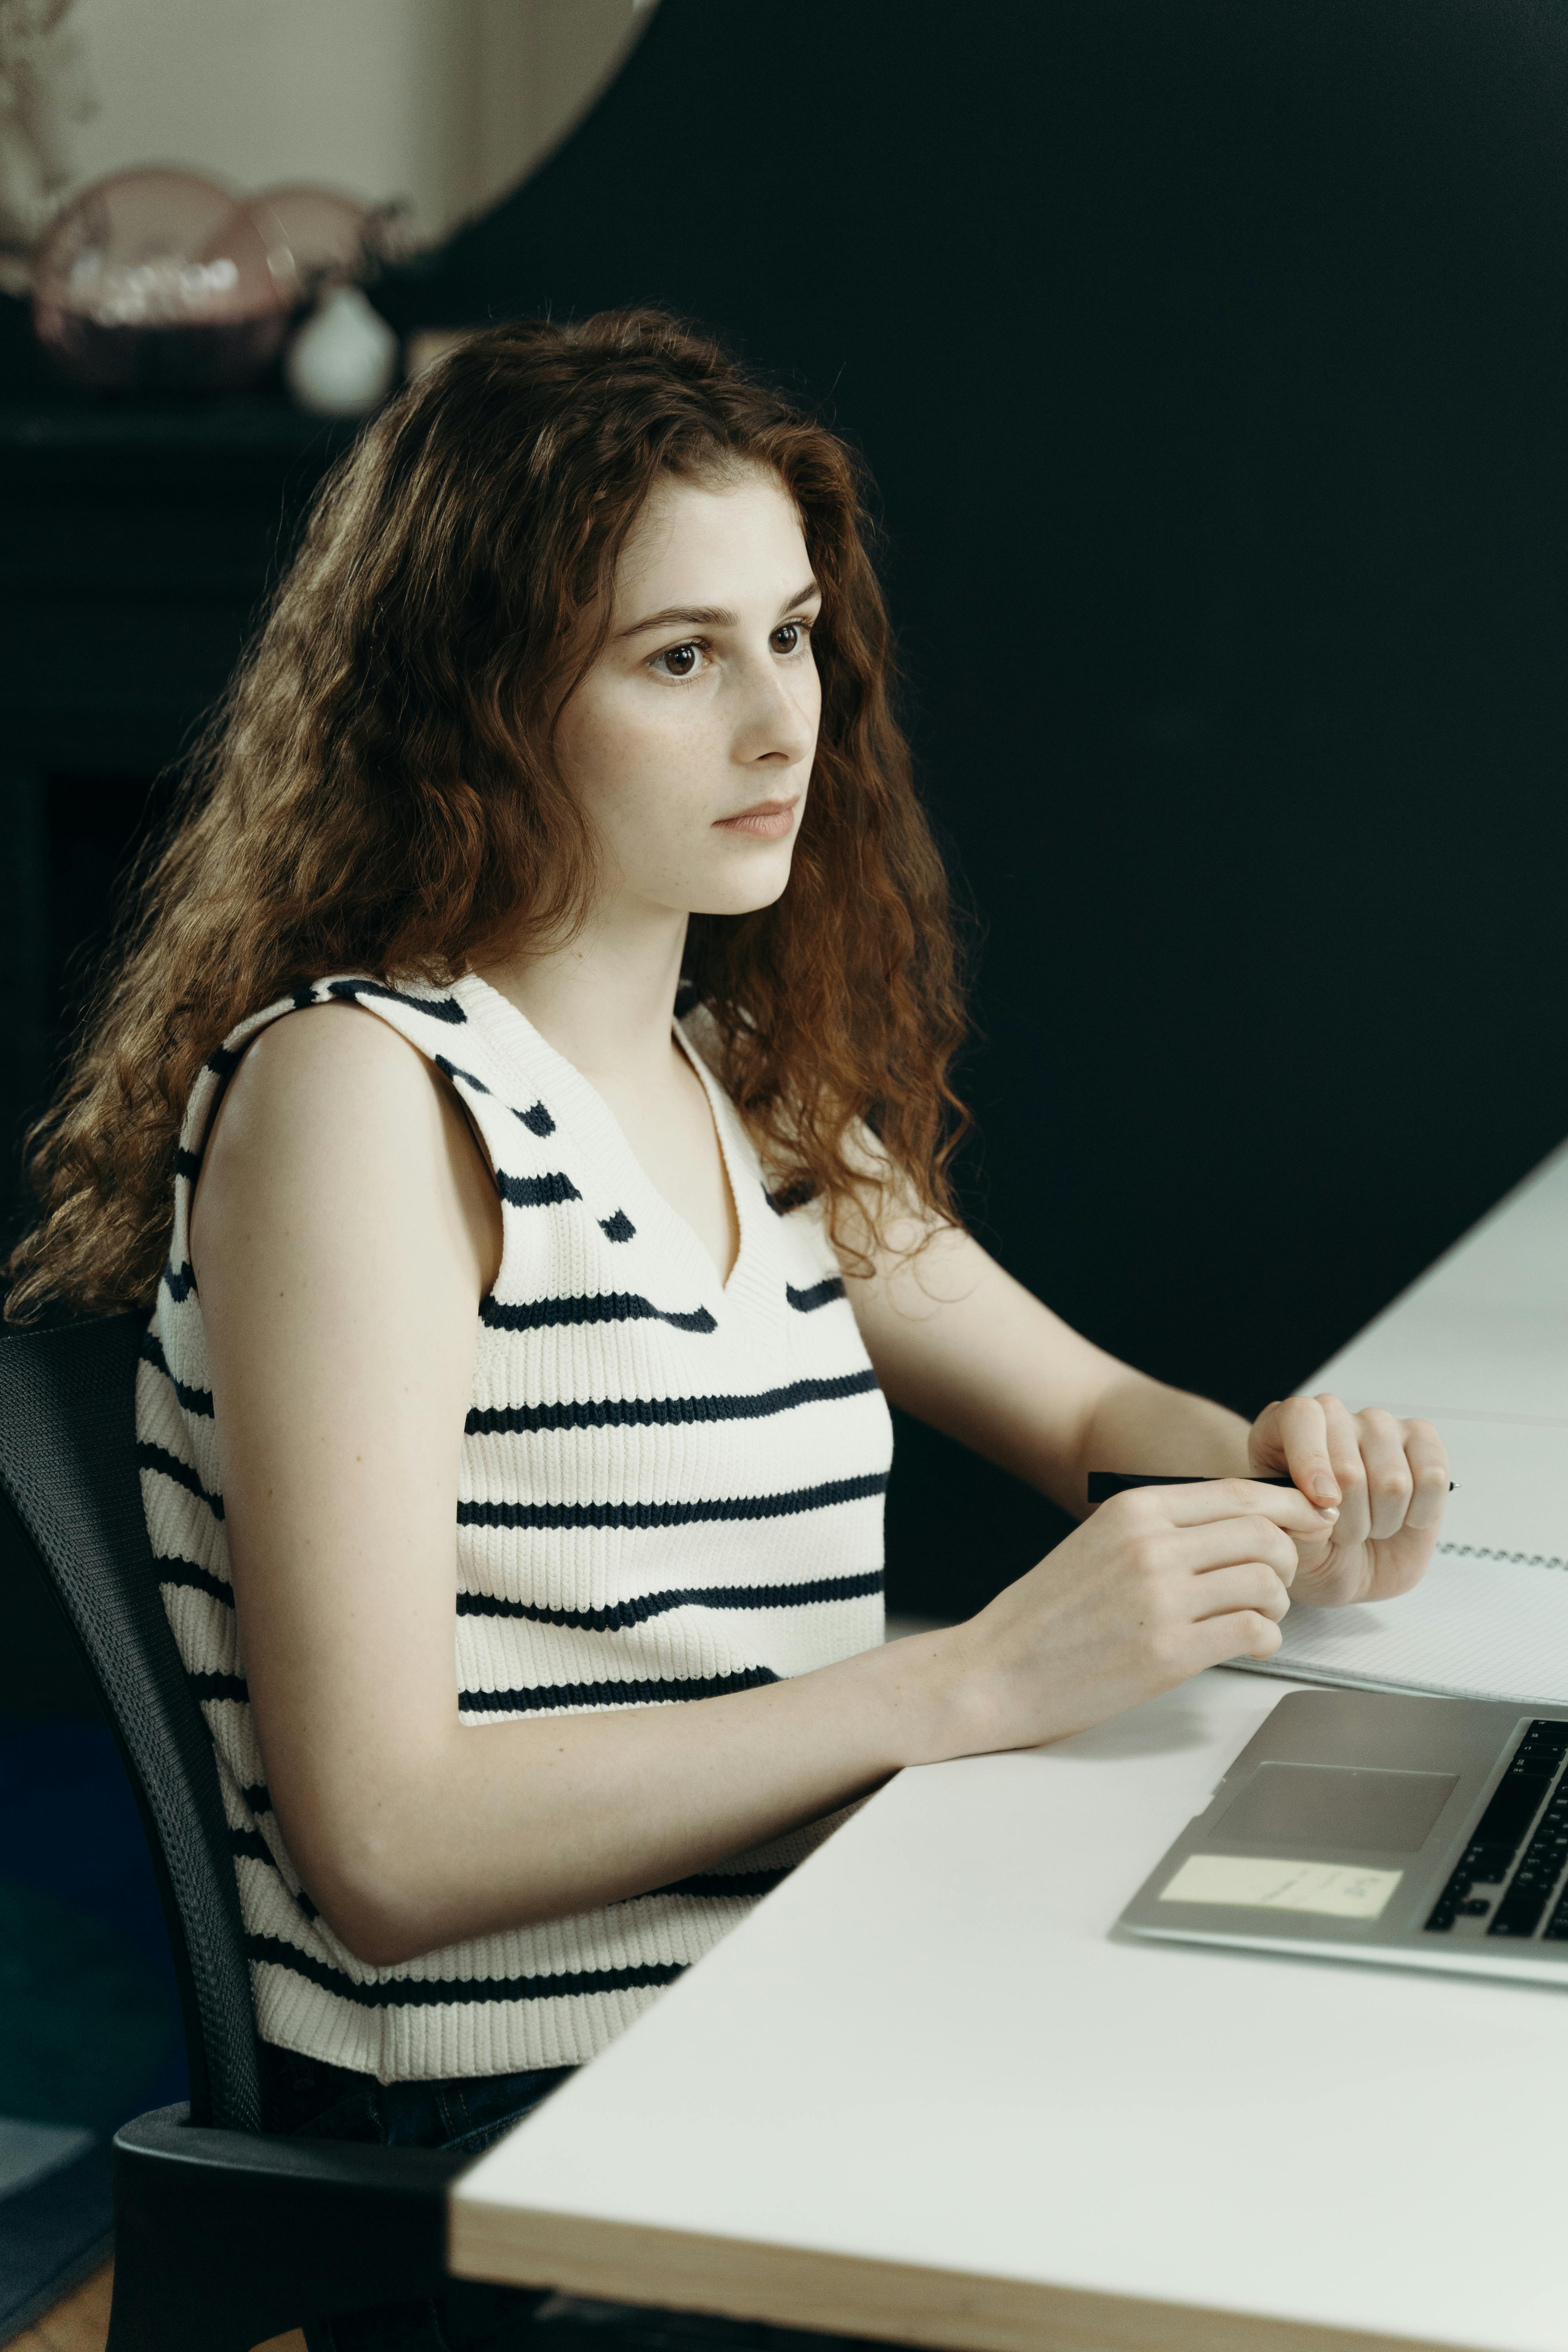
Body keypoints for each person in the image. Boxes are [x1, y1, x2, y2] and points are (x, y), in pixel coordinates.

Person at [5, 309, 1447, 2348]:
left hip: (797, 2020)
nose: (788, 722)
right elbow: (388, 1844)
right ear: (479, 702)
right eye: (681, 658)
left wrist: (1286, 1476)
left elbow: (1098, 1415)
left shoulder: (748, 1092)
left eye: (791, 638)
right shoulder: (363, 1098)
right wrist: (955, 1685)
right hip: (564, 2149)